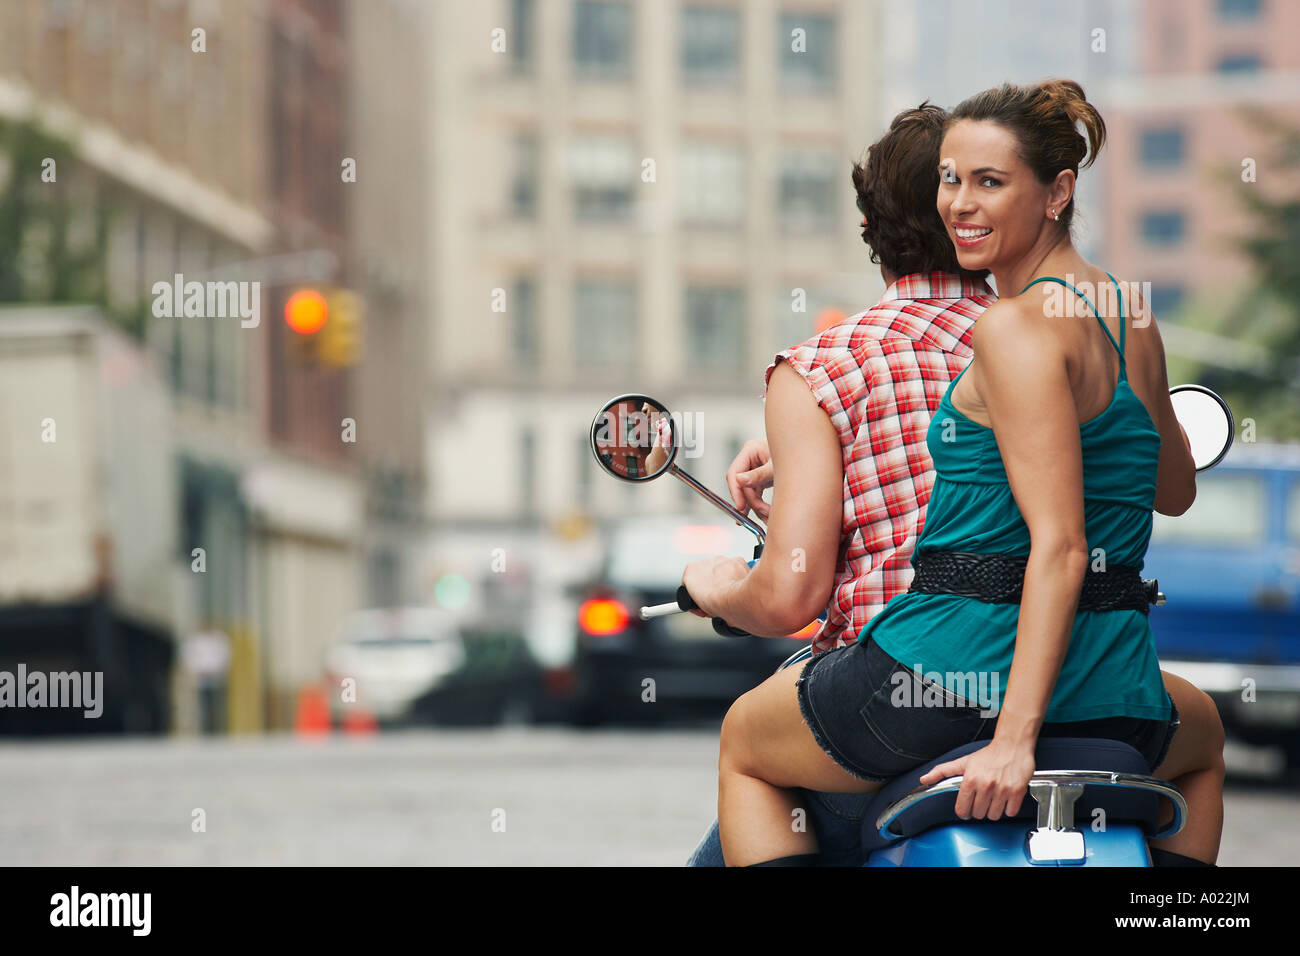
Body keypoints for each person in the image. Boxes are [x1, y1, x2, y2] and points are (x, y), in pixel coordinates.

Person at [682, 79, 1224, 867]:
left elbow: (1062, 547)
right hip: (1118, 681)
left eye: (990, 183)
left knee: (744, 739)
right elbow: (1173, 488)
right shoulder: (1125, 311)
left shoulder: (1011, 329)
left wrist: (1014, 742)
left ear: (1057, 192)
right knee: (1204, 740)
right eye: (950, 179)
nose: (960, 205)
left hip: (942, 672)